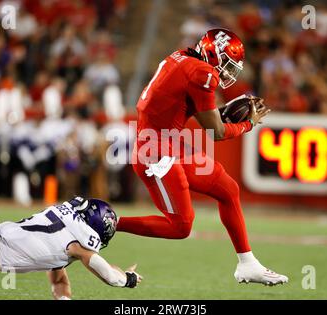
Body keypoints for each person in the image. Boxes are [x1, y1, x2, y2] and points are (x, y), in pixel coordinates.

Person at [116, 28, 288, 286]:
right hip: (155, 152)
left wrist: (218, 113)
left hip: (166, 143)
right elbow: (216, 132)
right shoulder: (203, 73)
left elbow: (189, 108)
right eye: (227, 65)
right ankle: (107, 222)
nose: (228, 73)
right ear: (214, 54)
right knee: (181, 226)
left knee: (227, 189)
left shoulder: (182, 57)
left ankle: (248, 264)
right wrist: (248, 124)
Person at [0, 197, 142, 299]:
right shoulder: (74, 245)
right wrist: (128, 279)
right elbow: (110, 276)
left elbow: (59, 282)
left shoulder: (66, 234)